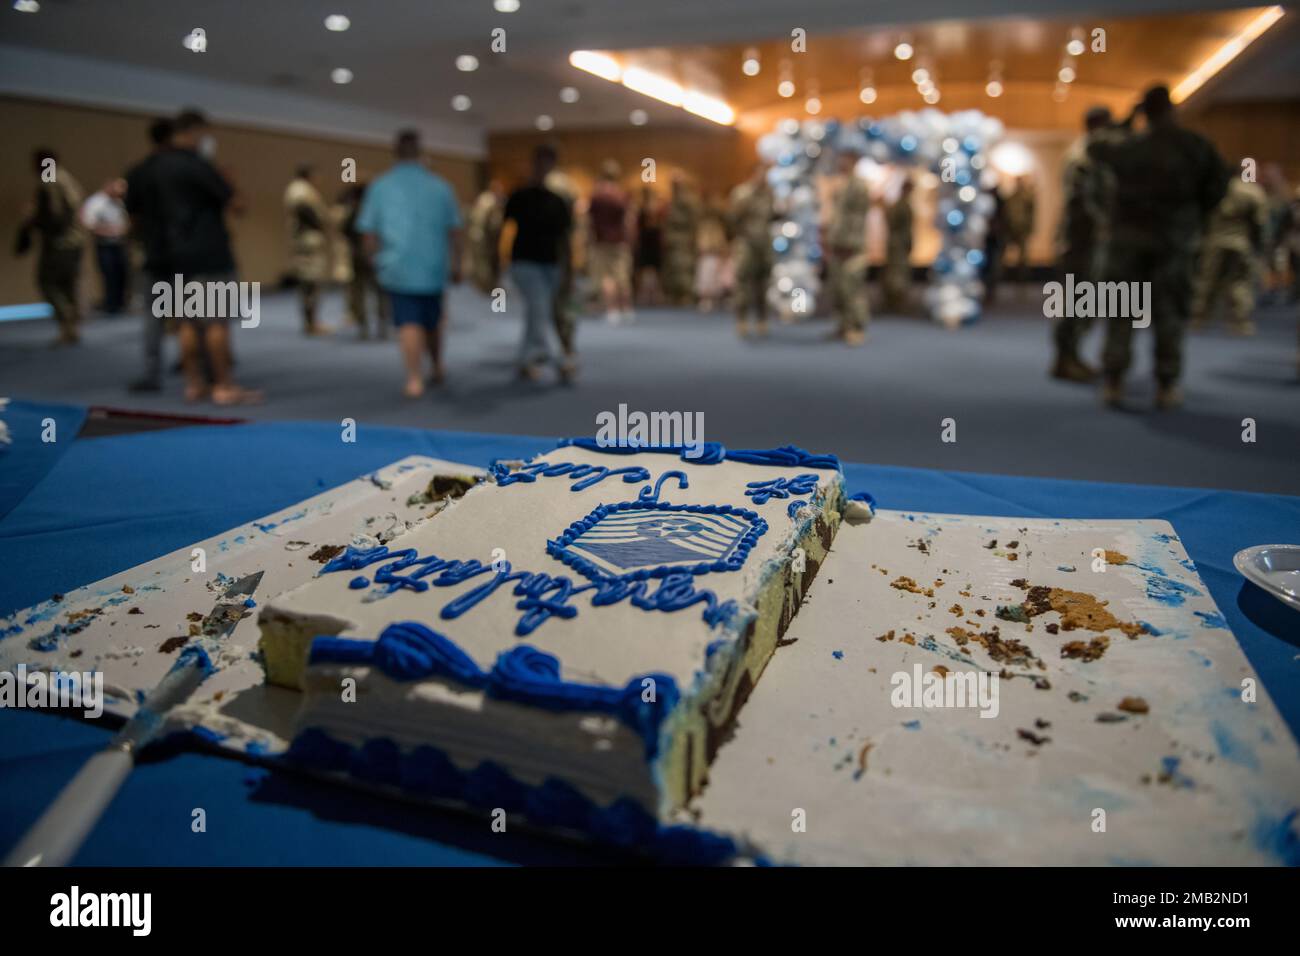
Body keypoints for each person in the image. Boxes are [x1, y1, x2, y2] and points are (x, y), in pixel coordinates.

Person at [1089, 85, 1229, 410]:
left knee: (1121, 310)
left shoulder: (1129, 146)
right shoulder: (1195, 146)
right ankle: (1166, 384)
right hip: (1174, 242)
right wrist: (1193, 217)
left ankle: (1114, 380)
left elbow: (1095, 148)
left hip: (1127, 242)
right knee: (1169, 312)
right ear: (1172, 109)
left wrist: (1123, 122)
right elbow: (1218, 186)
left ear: (1144, 112)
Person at [152, 108, 260, 404]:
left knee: (185, 322)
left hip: (171, 256)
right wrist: (230, 181)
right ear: (195, 131)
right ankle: (224, 386)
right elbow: (236, 205)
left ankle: (194, 384)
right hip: (208, 254)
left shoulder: (154, 166)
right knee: (215, 322)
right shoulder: (198, 165)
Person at [357, 129, 463, 398]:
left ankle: (414, 377)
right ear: (420, 152)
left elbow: (368, 232)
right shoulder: (440, 186)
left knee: (408, 321)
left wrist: (372, 259)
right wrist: (458, 263)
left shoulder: (380, 186)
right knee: (433, 318)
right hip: (433, 265)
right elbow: (456, 231)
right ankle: (437, 365)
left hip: (397, 265)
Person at [1051, 106, 1116, 382]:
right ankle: (1065, 359)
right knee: (1078, 301)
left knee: (1085, 301)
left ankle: (1072, 356)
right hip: (1081, 240)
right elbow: (1082, 200)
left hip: (1087, 238)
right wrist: (1104, 225)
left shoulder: (1092, 153)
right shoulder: (1083, 156)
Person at [501, 144, 573, 383]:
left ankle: (526, 358)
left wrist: (569, 270)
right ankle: (559, 360)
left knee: (538, 311)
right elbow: (502, 230)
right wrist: (496, 262)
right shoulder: (519, 197)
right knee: (539, 308)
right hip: (523, 262)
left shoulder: (558, 201)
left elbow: (565, 238)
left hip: (550, 264)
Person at [15, 149, 86, 346]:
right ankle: (72, 326)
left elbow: (55, 215)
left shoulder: (51, 179)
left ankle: (68, 321)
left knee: (47, 282)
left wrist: (33, 220)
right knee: (69, 283)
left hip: (59, 242)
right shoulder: (66, 178)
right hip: (74, 241)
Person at [125, 118, 175, 391]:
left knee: (154, 314)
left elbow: (132, 218)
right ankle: (198, 367)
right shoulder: (185, 170)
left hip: (154, 252)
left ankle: (152, 372)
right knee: (195, 312)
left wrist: (139, 243)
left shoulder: (138, 172)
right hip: (188, 252)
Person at [1190, 167, 1269, 336]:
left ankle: (1199, 317)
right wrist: (1258, 245)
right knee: (1239, 281)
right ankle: (1240, 321)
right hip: (1241, 242)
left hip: (1214, 240)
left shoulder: (1216, 188)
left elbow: (1200, 213)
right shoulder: (1253, 191)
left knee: (1206, 280)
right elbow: (1260, 222)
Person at [824, 148, 872, 345]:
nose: (841, 163)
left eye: (845, 159)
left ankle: (856, 327)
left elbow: (856, 219)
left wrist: (850, 243)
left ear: (854, 161)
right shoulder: (842, 185)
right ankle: (843, 325)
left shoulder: (858, 186)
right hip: (837, 245)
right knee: (838, 289)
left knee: (853, 289)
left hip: (852, 246)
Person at [728, 163, 776, 339]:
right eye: (761, 174)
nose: (763, 178)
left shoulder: (770, 194)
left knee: (762, 283)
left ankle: (762, 320)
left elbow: (773, 216)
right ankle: (741, 320)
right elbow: (732, 218)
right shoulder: (741, 193)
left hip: (764, 243)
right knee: (742, 283)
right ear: (753, 174)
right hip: (745, 243)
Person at [283, 165, 331, 335]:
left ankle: (311, 321)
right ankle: (311, 323)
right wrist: (318, 224)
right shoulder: (300, 189)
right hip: (307, 240)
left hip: (306, 240)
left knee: (309, 282)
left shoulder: (299, 189)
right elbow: (303, 210)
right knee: (310, 282)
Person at [338, 182, 389, 339]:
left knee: (360, 292)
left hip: (358, 256)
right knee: (380, 292)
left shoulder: (353, 212)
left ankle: (364, 326)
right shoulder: (377, 211)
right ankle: (382, 325)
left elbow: (344, 231)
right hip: (376, 255)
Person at [586, 160, 634, 324]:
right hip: (620, 241)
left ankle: (612, 311)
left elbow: (590, 220)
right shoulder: (622, 194)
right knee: (622, 276)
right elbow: (629, 219)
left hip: (601, 241)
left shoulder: (597, 195)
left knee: (607, 277)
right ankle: (627, 309)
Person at [544, 166, 580, 358]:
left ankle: (566, 345)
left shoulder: (565, 219)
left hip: (558, 262)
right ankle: (561, 345)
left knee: (564, 306)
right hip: (545, 262)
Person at [80, 177, 130, 315]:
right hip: (104, 244)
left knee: (122, 273)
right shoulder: (96, 202)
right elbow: (88, 223)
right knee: (109, 274)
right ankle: (111, 305)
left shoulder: (119, 202)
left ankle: (121, 304)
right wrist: (107, 231)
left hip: (120, 243)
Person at [661, 175, 699, 307]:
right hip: (672, 239)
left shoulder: (687, 200)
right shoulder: (671, 199)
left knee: (683, 268)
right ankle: (675, 295)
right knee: (672, 268)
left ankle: (686, 296)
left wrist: (692, 238)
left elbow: (694, 221)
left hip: (683, 238)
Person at [882, 177, 915, 314]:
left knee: (895, 272)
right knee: (897, 274)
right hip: (899, 243)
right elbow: (895, 224)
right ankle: (895, 302)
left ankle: (894, 301)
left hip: (898, 242)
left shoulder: (900, 204)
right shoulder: (901, 205)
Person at [465, 179, 504, 295]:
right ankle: (486, 285)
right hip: (482, 236)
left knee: (484, 261)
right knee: (483, 262)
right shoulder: (488, 200)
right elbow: (489, 222)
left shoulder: (486, 199)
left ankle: (485, 284)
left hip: (481, 235)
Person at [694, 193, 731, 312]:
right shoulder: (703, 226)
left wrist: (722, 253)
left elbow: (721, 243)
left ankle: (715, 299)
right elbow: (701, 244)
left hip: (716, 256)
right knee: (705, 277)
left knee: (716, 278)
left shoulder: (719, 227)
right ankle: (705, 299)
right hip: (706, 256)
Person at [1000, 175, 1036, 291]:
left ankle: (1022, 283)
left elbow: (1031, 214)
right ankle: (1003, 280)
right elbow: (1005, 214)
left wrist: (1029, 228)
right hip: (1011, 229)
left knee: (1023, 259)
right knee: (1003, 256)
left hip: (1022, 230)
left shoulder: (1027, 198)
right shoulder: (1010, 198)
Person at [633, 185, 665, 306]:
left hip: (654, 243)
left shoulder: (659, 210)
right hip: (644, 242)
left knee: (657, 271)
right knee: (642, 270)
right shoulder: (640, 210)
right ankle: (641, 295)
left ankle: (658, 296)